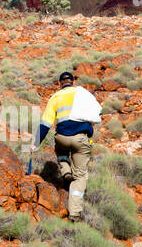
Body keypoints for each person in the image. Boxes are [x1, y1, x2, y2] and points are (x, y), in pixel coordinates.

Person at [35, 70, 101, 222]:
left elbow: (45, 124)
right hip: (80, 140)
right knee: (80, 177)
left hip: (62, 138)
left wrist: (35, 143)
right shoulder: (82, 94)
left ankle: (65, 172)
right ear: (73, 82)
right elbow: (96, 114)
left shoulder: (55, 97)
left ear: (60, 84)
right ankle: (75, 214)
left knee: (60, 151)